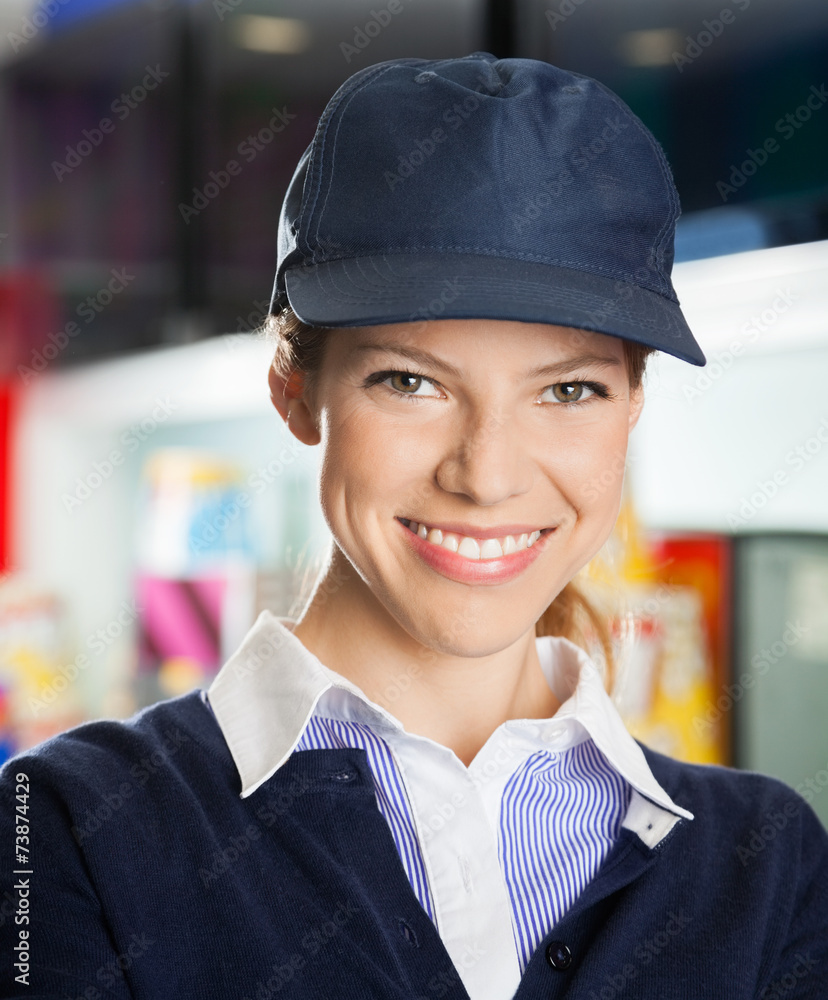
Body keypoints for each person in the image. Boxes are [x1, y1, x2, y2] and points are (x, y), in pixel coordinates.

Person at [1, 52, 827, 1000]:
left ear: (632, 406)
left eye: (569, 390)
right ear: (294, 390)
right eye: (412, 382)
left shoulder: (769, 865)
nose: (487, 475)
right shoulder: (65, 831)